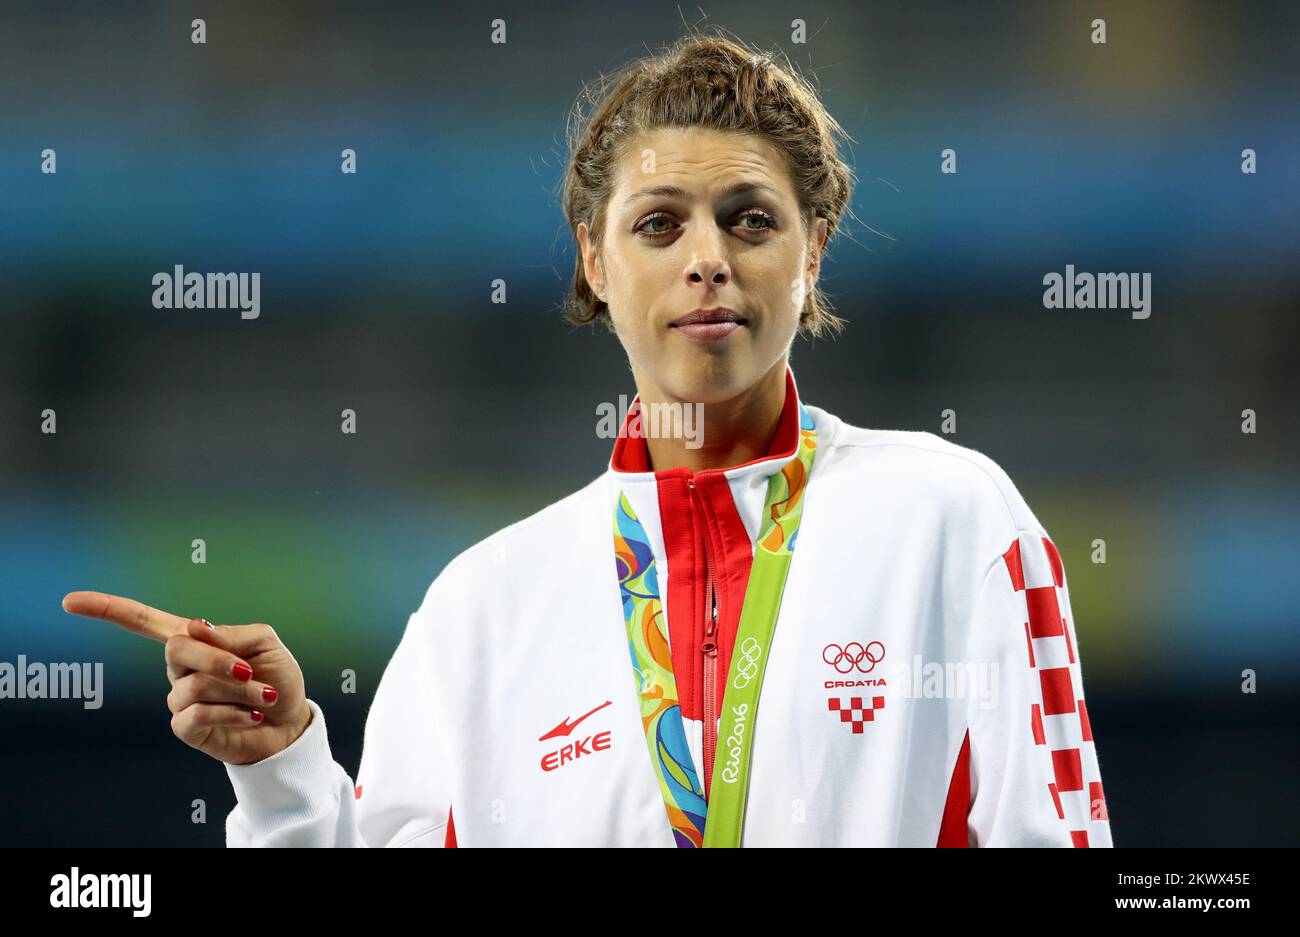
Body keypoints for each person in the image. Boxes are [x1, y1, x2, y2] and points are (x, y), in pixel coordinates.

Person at [62, 32, 1112, 847]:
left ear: (814, 251)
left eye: (750, 218)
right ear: (595, 262)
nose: (708, 258)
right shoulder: (485, 608)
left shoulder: (949, 518)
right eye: (659, 224)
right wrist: (281, 767)